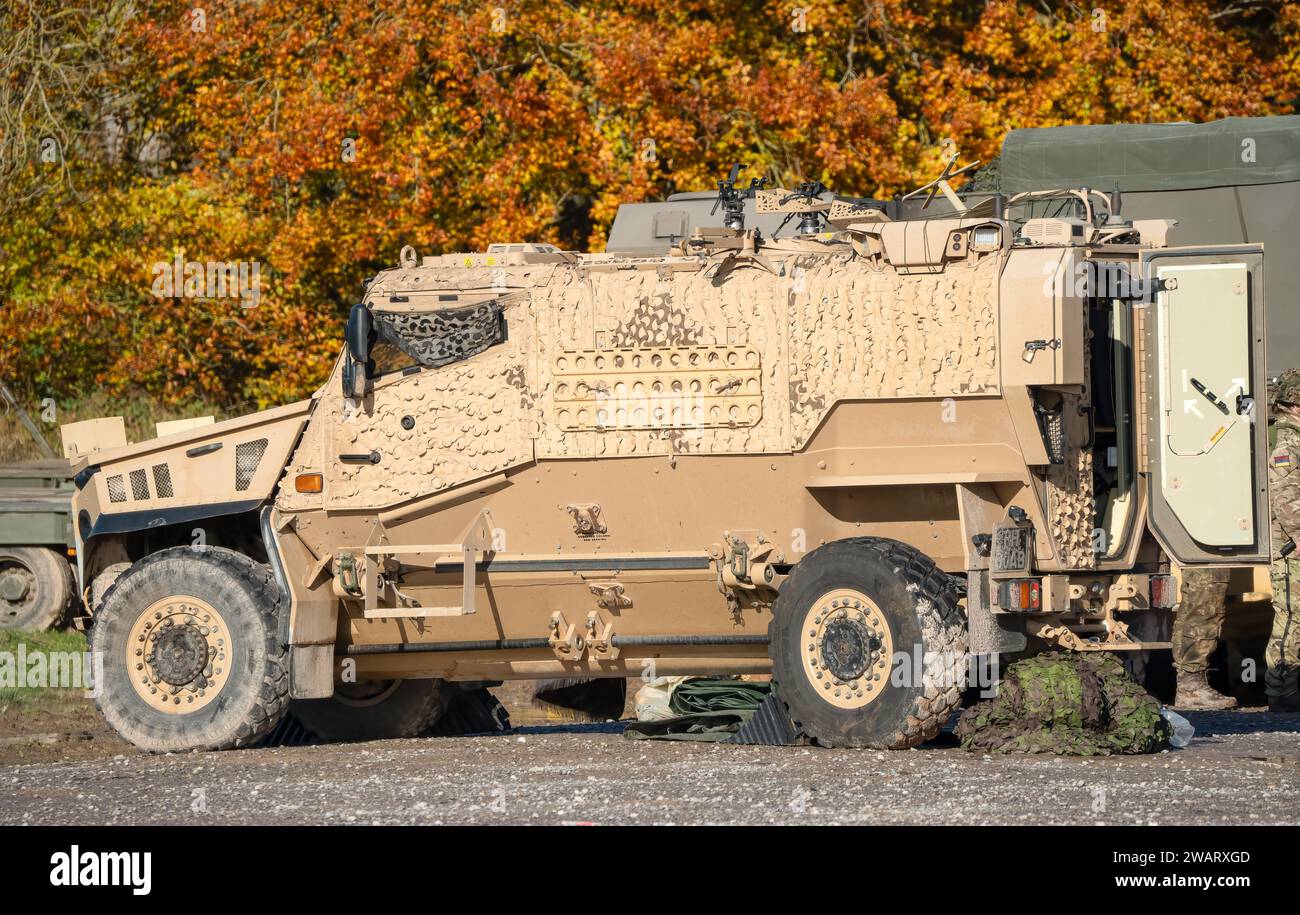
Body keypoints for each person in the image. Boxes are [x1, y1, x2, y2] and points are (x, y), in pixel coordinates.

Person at [1265, 370, 1300, 711]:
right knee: (1291, 616)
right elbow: (1285, 494)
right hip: (1291, 548)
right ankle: (1282, 692)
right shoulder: (1287, 442)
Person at [1171, 568, 1237, 710]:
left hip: (1194, 551)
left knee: (1191, 606)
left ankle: (1188, 683)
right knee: (1207, 607)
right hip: (1209, 551)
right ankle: (1191, 684)